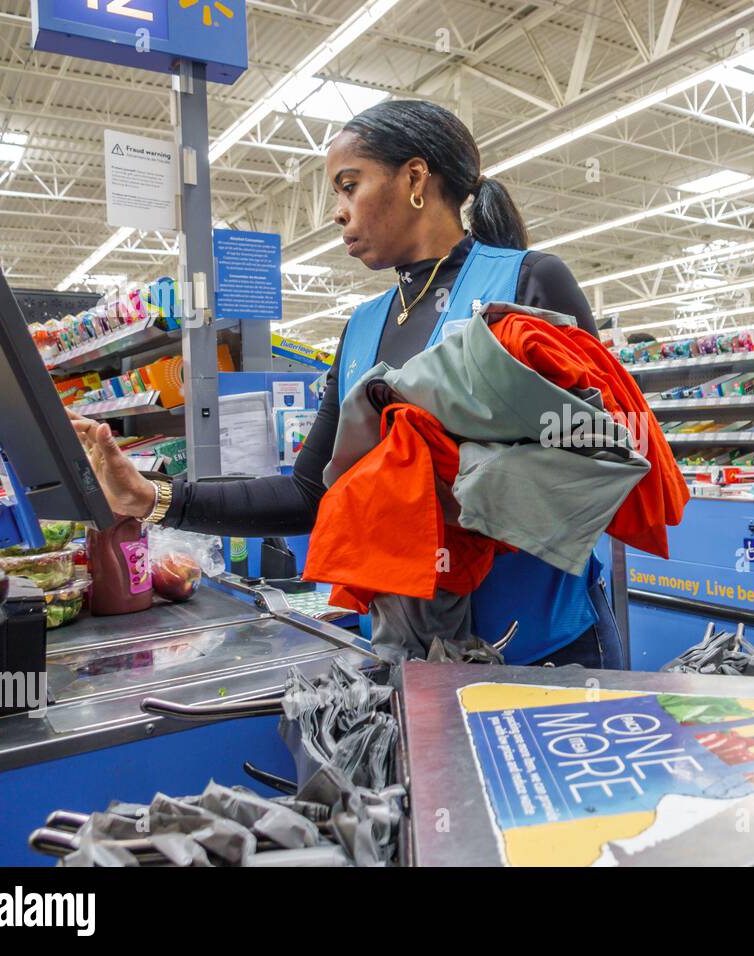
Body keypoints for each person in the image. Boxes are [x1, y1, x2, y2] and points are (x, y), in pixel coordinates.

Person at [71, 99, 623, 669]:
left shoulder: (527, 281)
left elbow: (611, 449)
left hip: (542, 647)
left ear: (414, 178)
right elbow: (309, 494)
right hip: (410, 646)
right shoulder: (363, 327)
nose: (337, 211)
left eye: (348, 185)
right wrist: (150, 497)